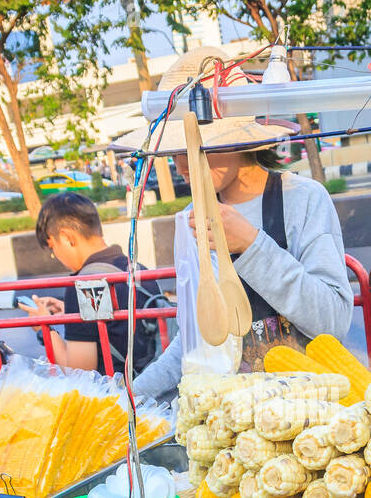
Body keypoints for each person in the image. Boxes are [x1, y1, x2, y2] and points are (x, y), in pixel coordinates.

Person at [117, 47, 352, 402]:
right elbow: (194, 340)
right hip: (234, 425)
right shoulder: (190, 220)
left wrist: (252, 246)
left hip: (310, 415)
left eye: (193, 148)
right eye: (173, 152)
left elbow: (333, 322)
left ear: (237, 137)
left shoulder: (303, 199)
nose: (181, 166)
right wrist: (130, 397)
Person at [17, 191, 162, 375]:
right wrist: (70, 312)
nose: (57, 256)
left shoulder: (84, 284)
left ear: (66, 237)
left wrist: (45, 328)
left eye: (53, 247)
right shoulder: (136, 268)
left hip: (117, 397)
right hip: (152, 388)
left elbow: (79, 372)